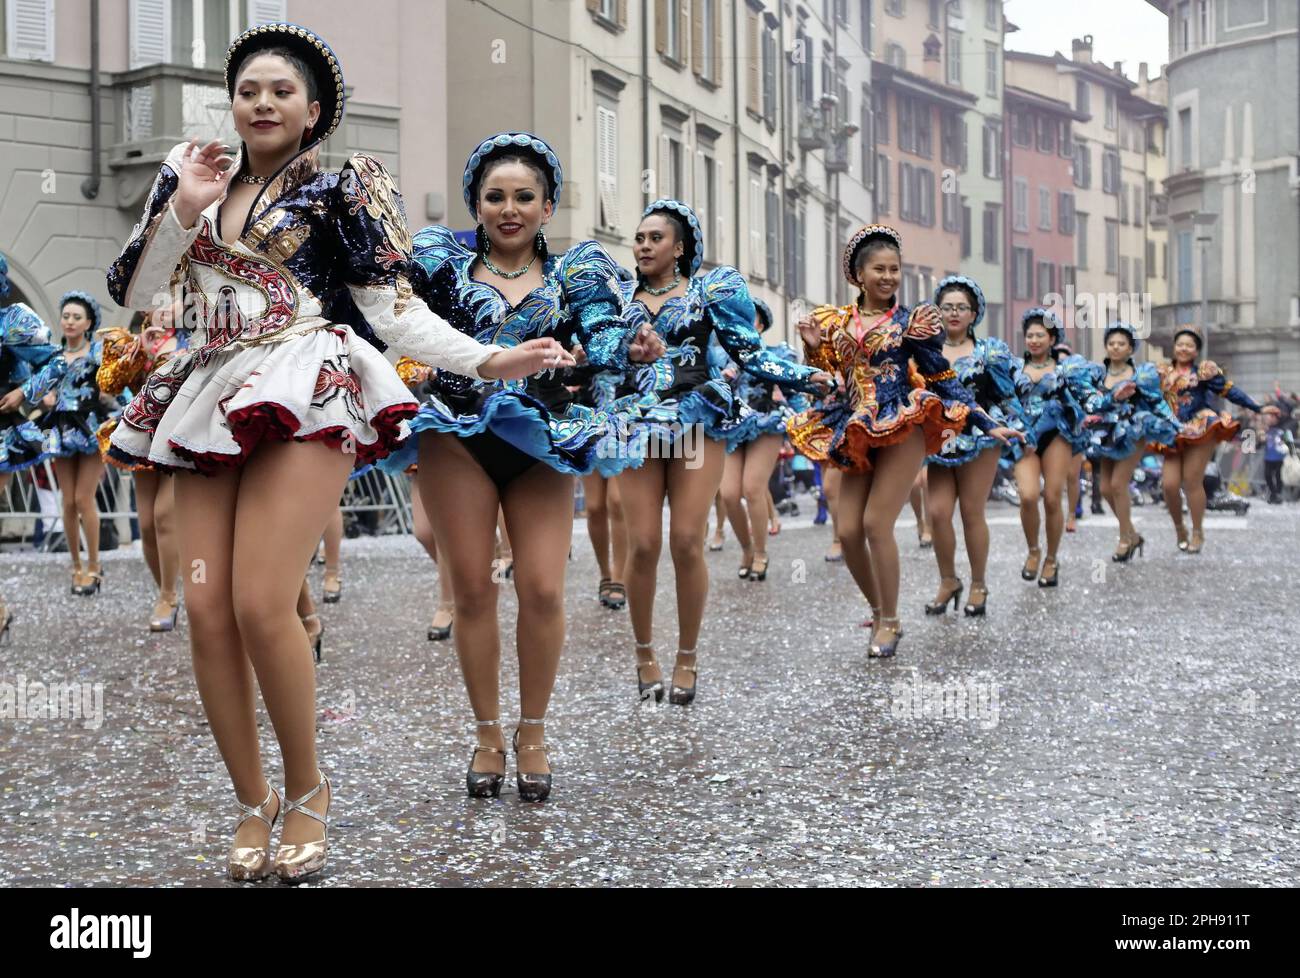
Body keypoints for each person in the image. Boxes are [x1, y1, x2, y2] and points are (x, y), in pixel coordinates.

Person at [104, 26, 566, 882]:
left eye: (282, 91)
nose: (263, 103)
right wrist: (183, 210)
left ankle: (308, 790)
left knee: (257, 600)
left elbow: (392, 310)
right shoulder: (189, 175)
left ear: (312, 112)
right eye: (249, 90)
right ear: (233, 103)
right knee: (205, 610)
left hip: (302, 381)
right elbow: (134, 290)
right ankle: (252, 802)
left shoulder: (341, 188)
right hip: (202, 387)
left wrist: (489, 358)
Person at [379, 132, 662, 801]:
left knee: (540, 589)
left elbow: (604, 354)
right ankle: (486, 734)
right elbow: (394, 325)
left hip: (543, 441)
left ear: (547, 205)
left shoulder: (579, 276)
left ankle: (531, 730)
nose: (510, 208)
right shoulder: (440, 266)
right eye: (495, 196)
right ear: (476, 204)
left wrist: (633, 356)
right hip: (456, 434)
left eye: (524, 197)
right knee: (473, 590)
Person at [601, 199, 832, 702]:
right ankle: (644, 652)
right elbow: (595, 356)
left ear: (680, 248)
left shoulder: (710, 292)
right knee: (642, 543)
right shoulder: (616, 297)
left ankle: (687, 655)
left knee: (686, 539)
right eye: (639, 238)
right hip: (638, 424)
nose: (643, 245)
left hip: (695, 423)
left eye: (654, 237)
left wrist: (803, 375)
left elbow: (749, 351)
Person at [787, 225, 1020, 657]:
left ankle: (891, 621)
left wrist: (986, 422)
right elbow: (827, 381)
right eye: (880, 268)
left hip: (902, 423)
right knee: (849, 529)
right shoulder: (834, 321)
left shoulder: (912, 322)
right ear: (858, 273)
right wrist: (813, 350)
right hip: (856, 426)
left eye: (895, 269)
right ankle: (877, 609)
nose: (889, 276)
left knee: (876, 524)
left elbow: (942, 377)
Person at [921, 276, 1022, 618]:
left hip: (981, 437)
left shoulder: (988, 353)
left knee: (971, 512)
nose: (953, 313)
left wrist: (1015, 427)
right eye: (947, 307)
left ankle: (978, 583)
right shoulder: (926, 351)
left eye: (961, 308)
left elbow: (1007, 395)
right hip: (938, 438)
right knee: (936, 512)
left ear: (974, 313)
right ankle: (948, 581)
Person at [1007, 309, 1096, 588]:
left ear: (1052, 338)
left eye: (1040, 335)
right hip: (1025, 437)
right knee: (1028, 495)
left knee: (1052, 498)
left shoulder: (1065, 370)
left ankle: (1052, 558)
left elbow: (1086, 396)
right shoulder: (1013, 368)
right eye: (1030, 335)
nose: (1034, 340)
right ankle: (1034, 550)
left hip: (1057, 435)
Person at [1154, 327, 1263, 553]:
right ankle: (1179, 528)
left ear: (1196, 351)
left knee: (1192, 481)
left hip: (1199, 427)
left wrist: (1256, 407)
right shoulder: (1161, 373)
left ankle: (1197, 531)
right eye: (1180, 344)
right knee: (1170, 485)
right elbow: (1145, 396)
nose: (1184, 348)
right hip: (1172, 429)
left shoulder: (1204, 372)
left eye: (1189, 345)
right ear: (1174, 347)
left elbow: (1228, 391)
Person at [1080, 322, 1180, 561]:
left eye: (1121, 344)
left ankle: (1124, 538)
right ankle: (1133, 535)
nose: (1115, 347)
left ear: (1130, 348)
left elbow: (1156, 402)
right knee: (1104, 489)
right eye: (1111, 343)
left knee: (1117, 484)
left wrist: (1175, 423)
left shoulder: (1141, 375)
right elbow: (1090, 403)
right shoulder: (1097, 375)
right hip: (1106, 433)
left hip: (1134, 431)